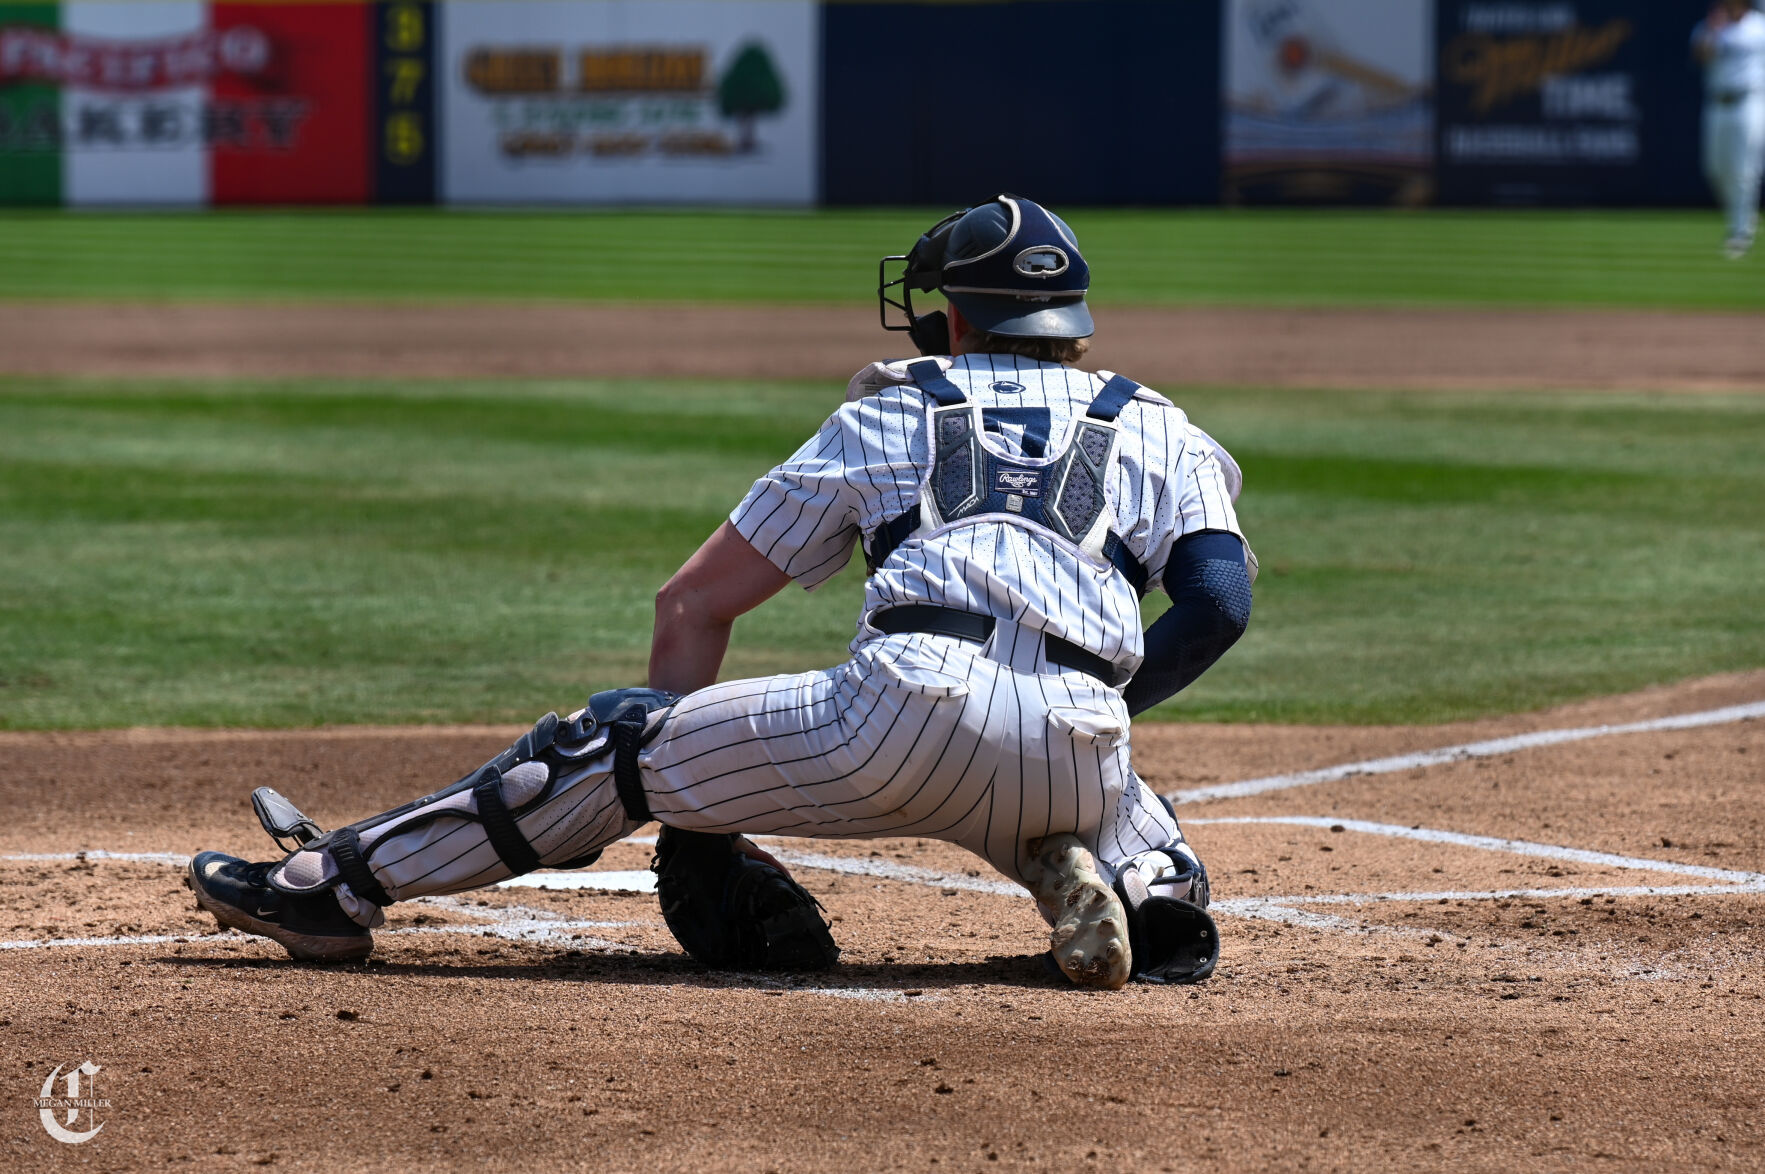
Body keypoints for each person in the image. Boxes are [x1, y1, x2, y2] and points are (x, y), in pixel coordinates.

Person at [185, 196, 1255, 990]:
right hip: (1080, 744)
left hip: (899, 716)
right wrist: (1103, 708)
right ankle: (1148, 891)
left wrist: (694, 815)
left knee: (609, 743)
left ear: (957, 317)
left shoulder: (896, 407)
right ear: (1071, 320)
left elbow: (694, 604)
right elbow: (1217, 602)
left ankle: (327, 887)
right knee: (1118, 804)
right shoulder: (1159, 424)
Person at [1693, 0, 1765, 258]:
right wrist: (1713, 31)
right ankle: (1742, 211)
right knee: (1714, 169)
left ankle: (1740, 231)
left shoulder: (1759, 26)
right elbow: (1701, 56)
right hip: (1717, 103)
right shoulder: (1711, 25)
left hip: (1749, 101)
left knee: (1744, 170)